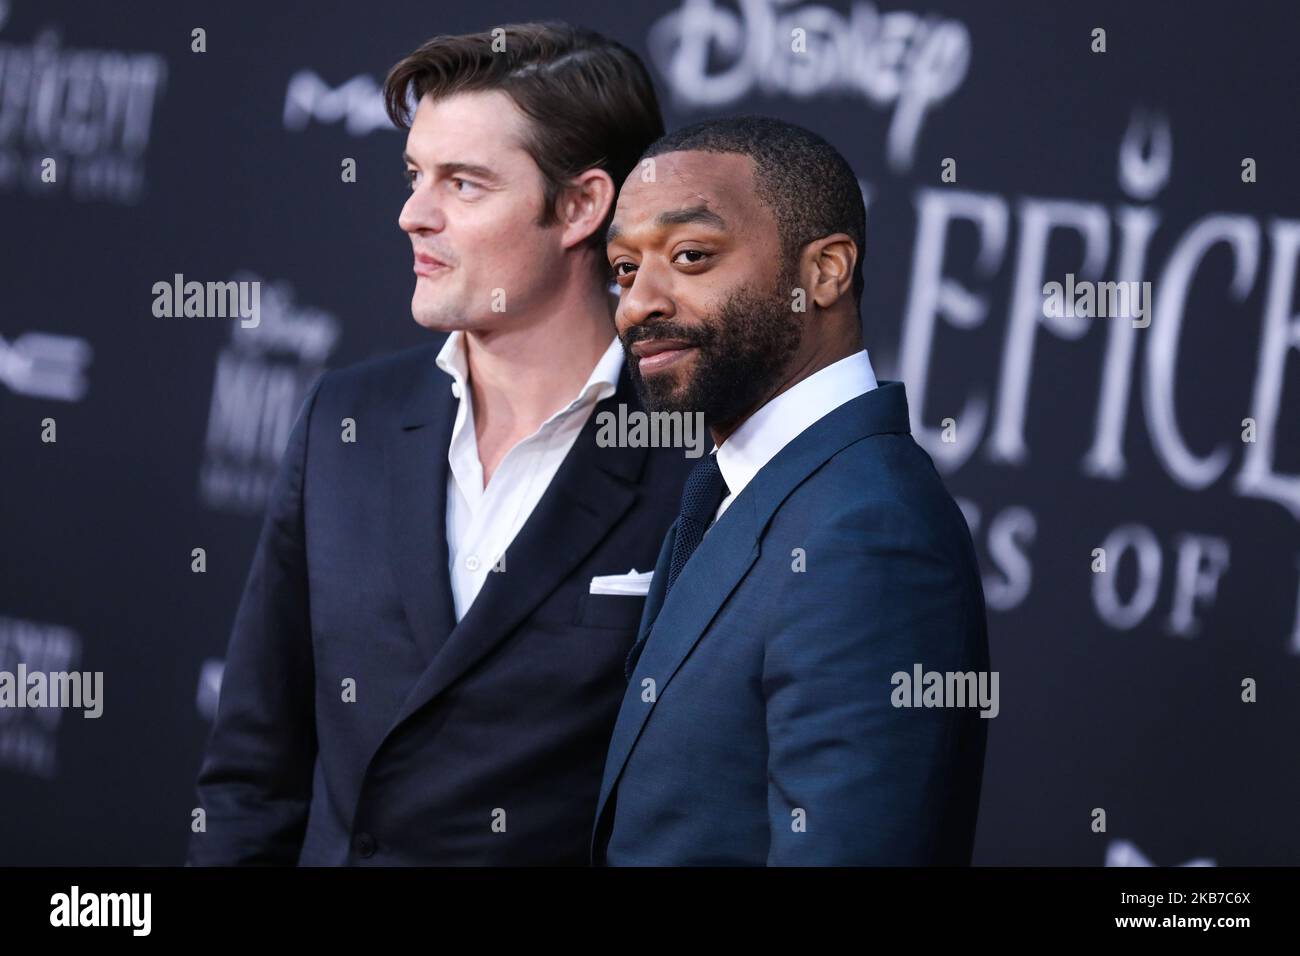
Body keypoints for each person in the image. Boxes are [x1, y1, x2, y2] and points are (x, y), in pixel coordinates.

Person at [188, 22, 689, 866]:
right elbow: (251, 772)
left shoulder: (698, 456)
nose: (413, 215)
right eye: (416, 175)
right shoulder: (347, 421)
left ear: (580, 207)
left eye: (463, 184)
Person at [594, 116, 990, 865]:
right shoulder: (733, 490)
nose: (636, 304)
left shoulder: (869, 532)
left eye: (690, 255)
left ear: (826, 272)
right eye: (622, 269)